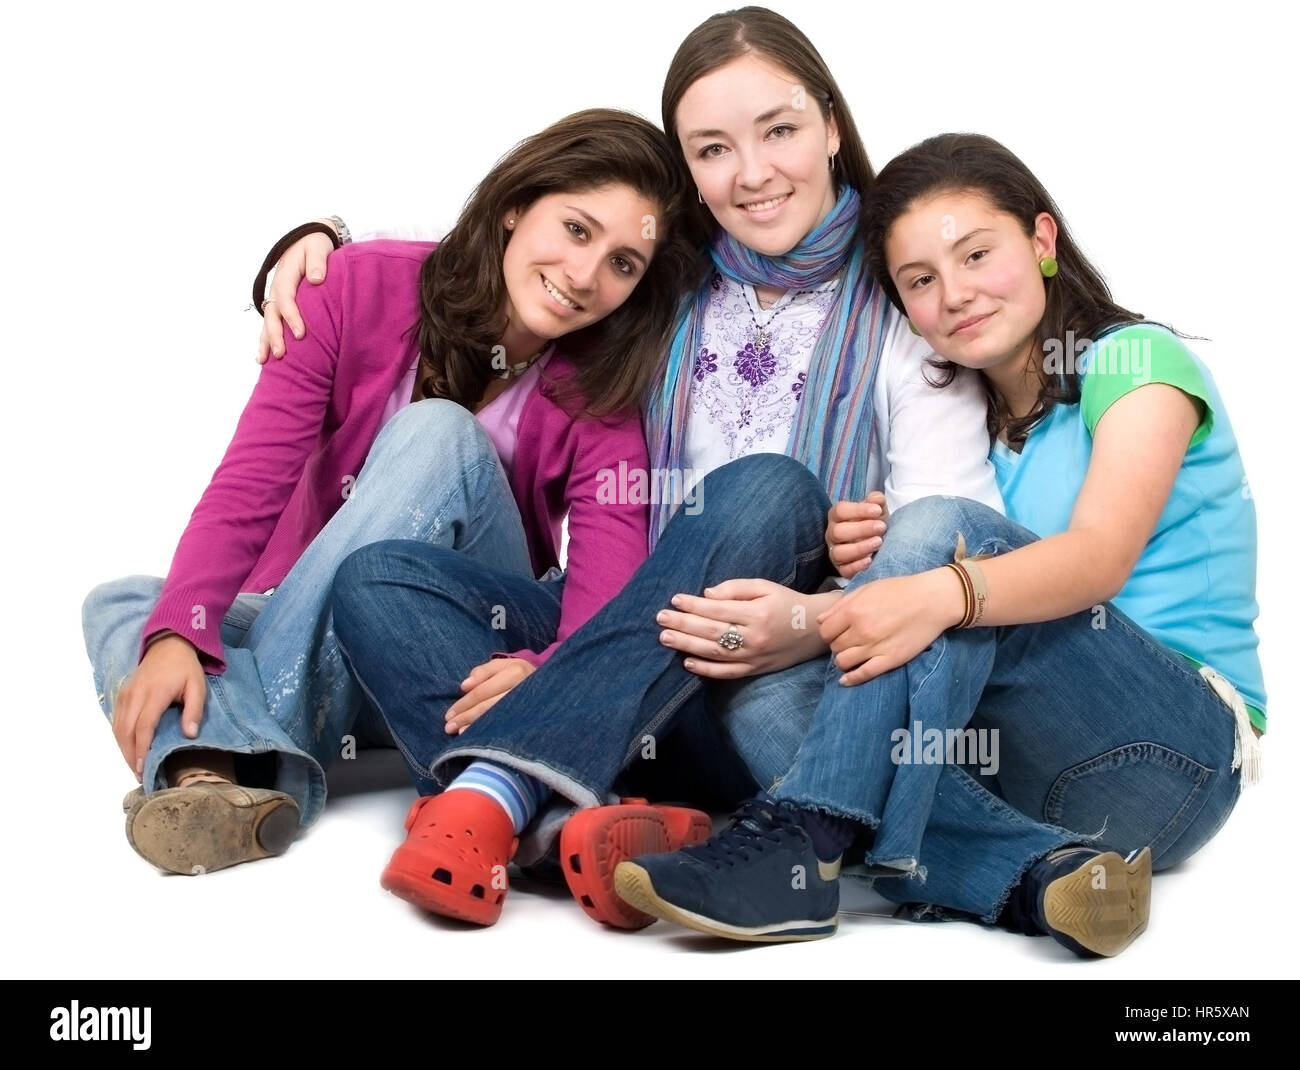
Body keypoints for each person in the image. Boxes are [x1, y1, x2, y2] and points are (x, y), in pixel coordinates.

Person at [262, 8, 1002, 928]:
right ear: (685, 171)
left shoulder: (903, 290)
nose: (754, 172)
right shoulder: (661, 279)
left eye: (779, 131)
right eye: (713, 149)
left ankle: (495, 794)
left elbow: (957, 544)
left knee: (767, 490)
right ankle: (588, 819)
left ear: (831, 125)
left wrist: (816, 617)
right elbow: (515, 234)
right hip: (619, 626)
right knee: (379, 581)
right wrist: (319, 237)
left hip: (771, 668)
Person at [615, 132, 1264, 957]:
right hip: (1037, 784)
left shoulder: (1134, 362)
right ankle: (1043, 875)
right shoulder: (973, 434)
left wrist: (924, 576)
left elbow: (1097, 560)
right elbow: (925, 619)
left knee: (936, 535)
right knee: (767, 701)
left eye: (976, 254)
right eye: (920, 281)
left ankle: (802, 842)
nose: (954, 294)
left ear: (1042, 242)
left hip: (1175, 759)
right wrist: (846, 596)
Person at [81, 109, 700, 877]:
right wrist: (180, 628)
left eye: (623, 264)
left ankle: (239, 748)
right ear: (516, 205)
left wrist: (553, 662)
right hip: (317, 632)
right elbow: (252, 478)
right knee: (131, 606)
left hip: (443, 649)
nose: (585, 276)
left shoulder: (603, 382)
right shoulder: (355, 285)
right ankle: (209, 786)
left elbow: (612, 559)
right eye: (576, 230)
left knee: (438, 434)